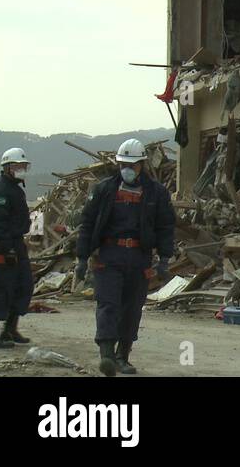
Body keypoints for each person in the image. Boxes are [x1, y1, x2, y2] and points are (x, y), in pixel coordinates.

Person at [76, 139, 175, 376]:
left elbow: (165, 226)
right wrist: (81, 258)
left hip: (139, 257)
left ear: (142, 164)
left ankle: (123, 355)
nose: (127, 170)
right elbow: (87, 223)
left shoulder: (156, 193)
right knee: (108, 304)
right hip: (109, 255)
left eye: (132, 165)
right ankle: (107, 356)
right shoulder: (104, 189)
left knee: (132, 308)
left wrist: (164, 260)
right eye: (123, 165)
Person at [0, 149, 34, 349]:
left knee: (24, 286)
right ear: (6, 167)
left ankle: (10, 329)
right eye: (17, 167)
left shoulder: (16, 189)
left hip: (17, 244)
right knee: (1, 290)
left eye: (23, 166)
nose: (21, 170)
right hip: (3, 247)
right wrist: (6, 249)